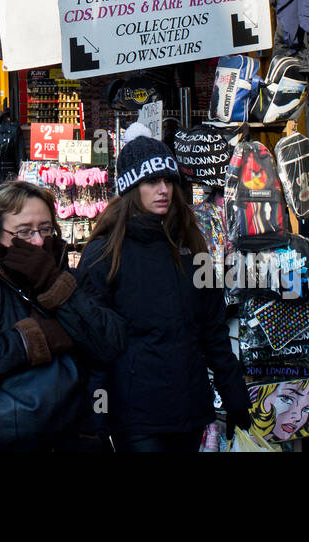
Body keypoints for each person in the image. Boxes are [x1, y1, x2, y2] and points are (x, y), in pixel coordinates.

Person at [77, 127, 252, 452]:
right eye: (151, 181)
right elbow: (94, 347)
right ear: (131, 188)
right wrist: (96, 417)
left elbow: (212, 331)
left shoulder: (190, 244)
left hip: (189, 409)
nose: (163, 190)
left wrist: (235, 395)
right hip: (136, 415)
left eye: (169, 180)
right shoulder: (104, 254)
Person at [0, 181, 125, 452]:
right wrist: (34, 340)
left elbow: (109, 342)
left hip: (70, 439)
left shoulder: (70, 279)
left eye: (45, 229)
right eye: (24, 232)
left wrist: (54, 285)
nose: (38, 241)